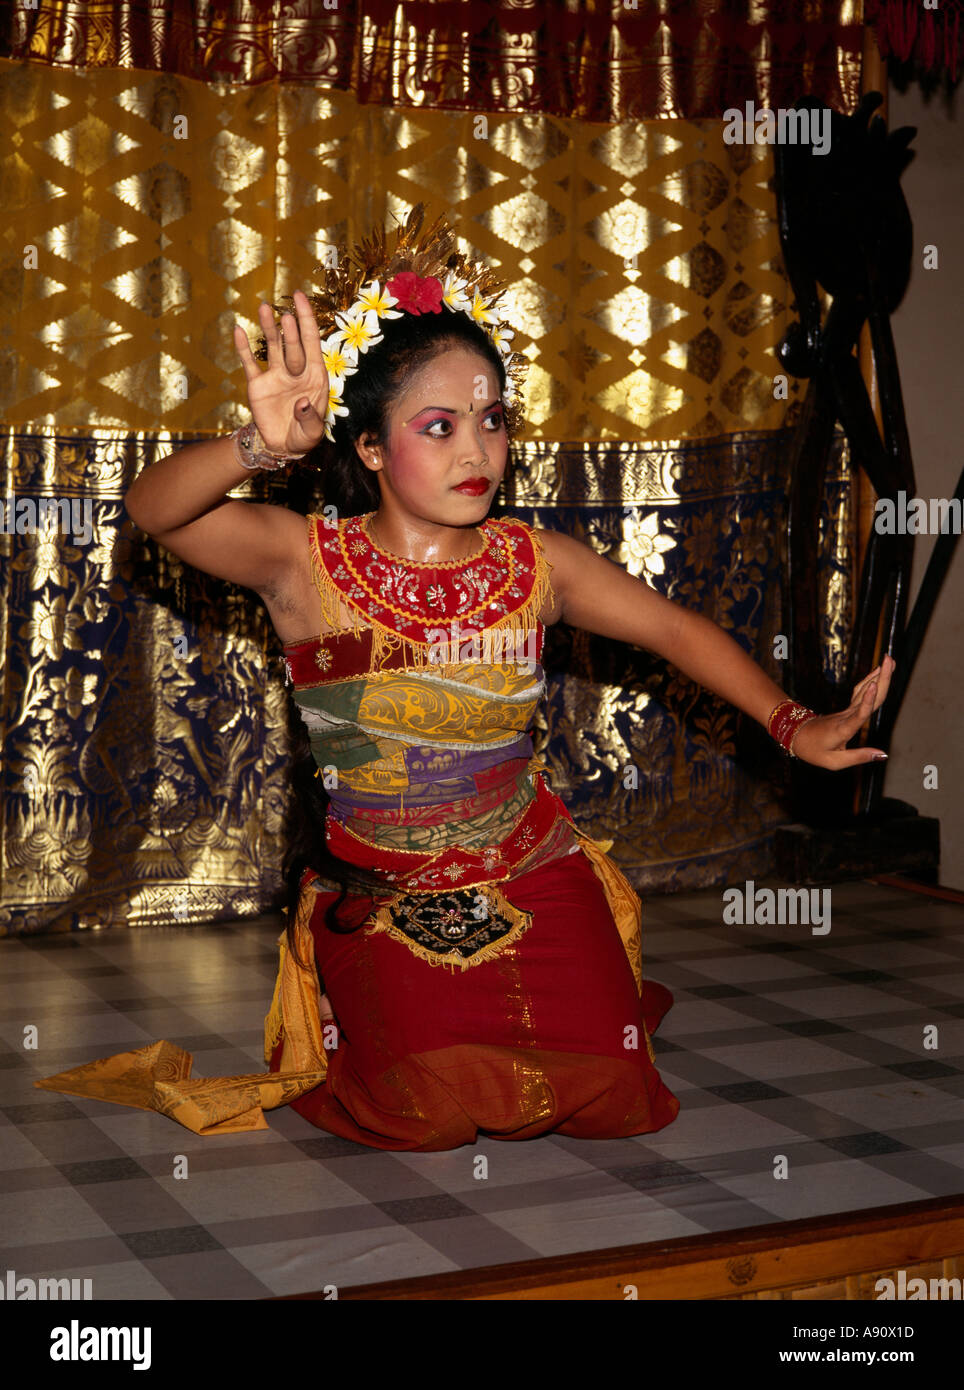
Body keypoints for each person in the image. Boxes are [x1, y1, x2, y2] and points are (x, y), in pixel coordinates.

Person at [36, 205, 894, 1150]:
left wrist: (791, 725)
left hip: (531, 866)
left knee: (616, 1098)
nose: (476, 451)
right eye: (437, 426)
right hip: (385, 886)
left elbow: (675, 631)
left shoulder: (539, 565)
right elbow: (155, 511)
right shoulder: (304, 562)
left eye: (490, 420)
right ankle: (367, 1016)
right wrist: (263, 447)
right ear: (367, 447)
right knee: (432, 1110)